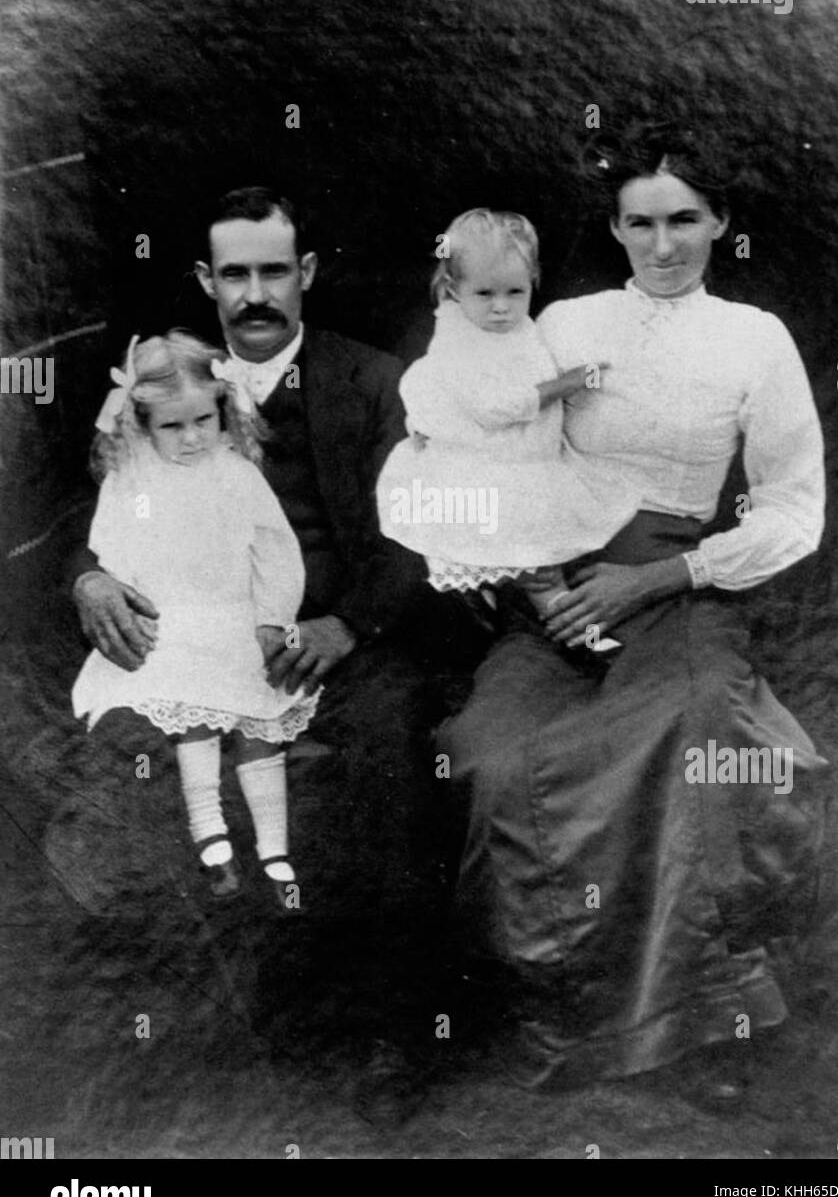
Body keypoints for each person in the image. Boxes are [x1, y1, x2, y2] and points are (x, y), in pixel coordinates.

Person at [71, 186, 490, 1126]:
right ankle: (198, 1031)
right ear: (206, 282)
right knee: (130, 760)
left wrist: (347, 628)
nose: (254, 294)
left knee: (384, 755)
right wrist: (92, 583)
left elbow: (422, 534)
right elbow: (101, 506)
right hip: (196, 638)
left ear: (303, 275)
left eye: (273, 272)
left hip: (346, 639)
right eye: (234, 275)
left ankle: (385, 1031)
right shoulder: (169, 381)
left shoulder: (377, 382)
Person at [438, 124, 828, 1109]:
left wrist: (652, 582)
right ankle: (564, 1006)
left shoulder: (754, 340)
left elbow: (792, 509)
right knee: (496, 757)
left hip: (679, 584)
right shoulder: (563, 328)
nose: (663, 246)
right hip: (559, 584)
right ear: (614, 226)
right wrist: (541, 587)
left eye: (684, 220)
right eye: (641, 222)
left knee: (697, 736)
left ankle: (702, 1016)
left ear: (719, 222)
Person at [71, 331, 320, 909]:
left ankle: (274, 848)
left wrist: (272, 618)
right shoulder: (132, 480)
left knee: (260, 719)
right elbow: (113, 553)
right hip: (171, 622)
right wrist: (133, 601)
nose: (191, 438)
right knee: (196, 719)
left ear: (223, 409)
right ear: (140, 422)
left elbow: (275, 551)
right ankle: (212, 839)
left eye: (203, 420)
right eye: (171, 426)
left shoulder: (238, 475)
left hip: (236, 620)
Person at [376, 208, 639, 645]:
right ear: (454, 289)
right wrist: (569, 382)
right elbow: (492, 405)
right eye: (485, 293)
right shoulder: (459, 337)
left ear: (533, 279)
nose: (501, 307)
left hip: (528, 458)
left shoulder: (516, 326)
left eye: (515, 292)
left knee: (535, 557)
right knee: (537, 565)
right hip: (491, 468)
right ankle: (575, 633)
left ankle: (524, 608)